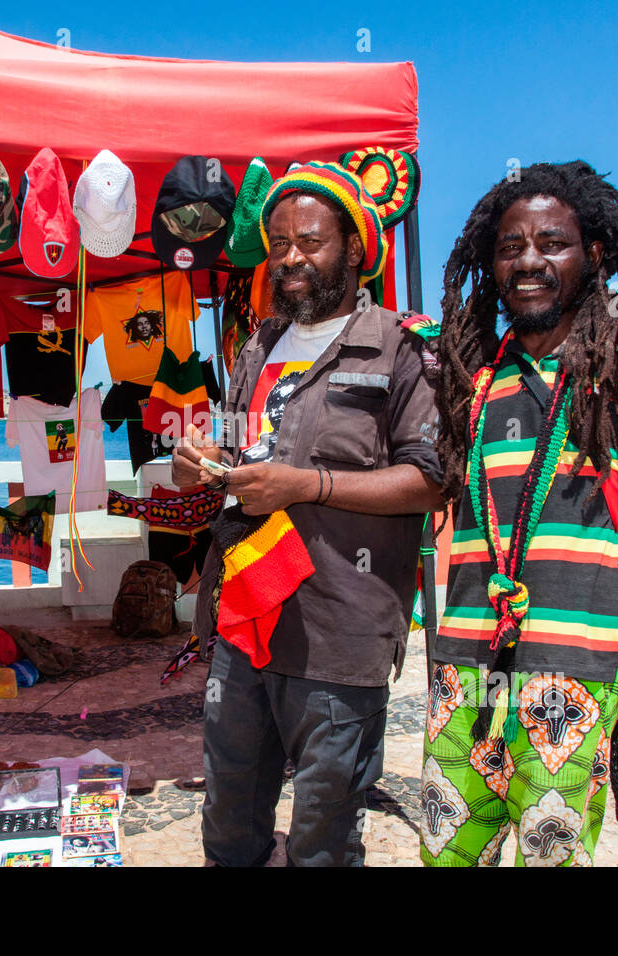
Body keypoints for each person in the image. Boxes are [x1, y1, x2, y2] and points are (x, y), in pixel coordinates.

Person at [421, 160, 618, 866]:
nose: (528, 261)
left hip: (574, 670)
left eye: (551, 243)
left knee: (551, 857)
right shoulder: (468, 371)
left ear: (593, 255)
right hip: (464, 667)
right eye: (509, 247)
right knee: (446, 851)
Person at [175, 162, 442, 867]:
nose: (291, 257)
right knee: (229, 819)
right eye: (281, 242)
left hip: (337, 630)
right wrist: (198, 461)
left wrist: (305, 486)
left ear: (354, 249)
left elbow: (428, 480)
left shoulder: (400, 347)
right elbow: (235, 448)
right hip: (243, 619)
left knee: (323, 835)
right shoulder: (258, 343)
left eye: (311, 241)